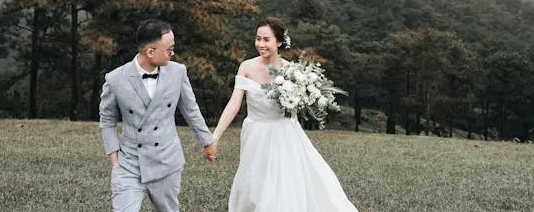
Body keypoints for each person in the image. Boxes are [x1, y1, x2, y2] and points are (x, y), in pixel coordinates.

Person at [212, 17, 357, 212]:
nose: (260, 44)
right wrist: (215, 136)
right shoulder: (246, 67)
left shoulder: (293, 72)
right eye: (258, 39)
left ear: (279, 42)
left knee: (282, 182)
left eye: (266, 40)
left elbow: (299, 106)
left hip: (284, 132)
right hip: (254, 132)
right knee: (254, 180)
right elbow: (234, 103)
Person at [99, 19, 217, 212]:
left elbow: (191, 109)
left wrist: (207, 140)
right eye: (169, 50)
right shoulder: (115, 79)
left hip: (167, 161)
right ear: (150, 52)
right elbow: (107, 120)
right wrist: (114, 159)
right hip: (129, 163)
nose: (173, 53)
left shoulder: (178, 72)